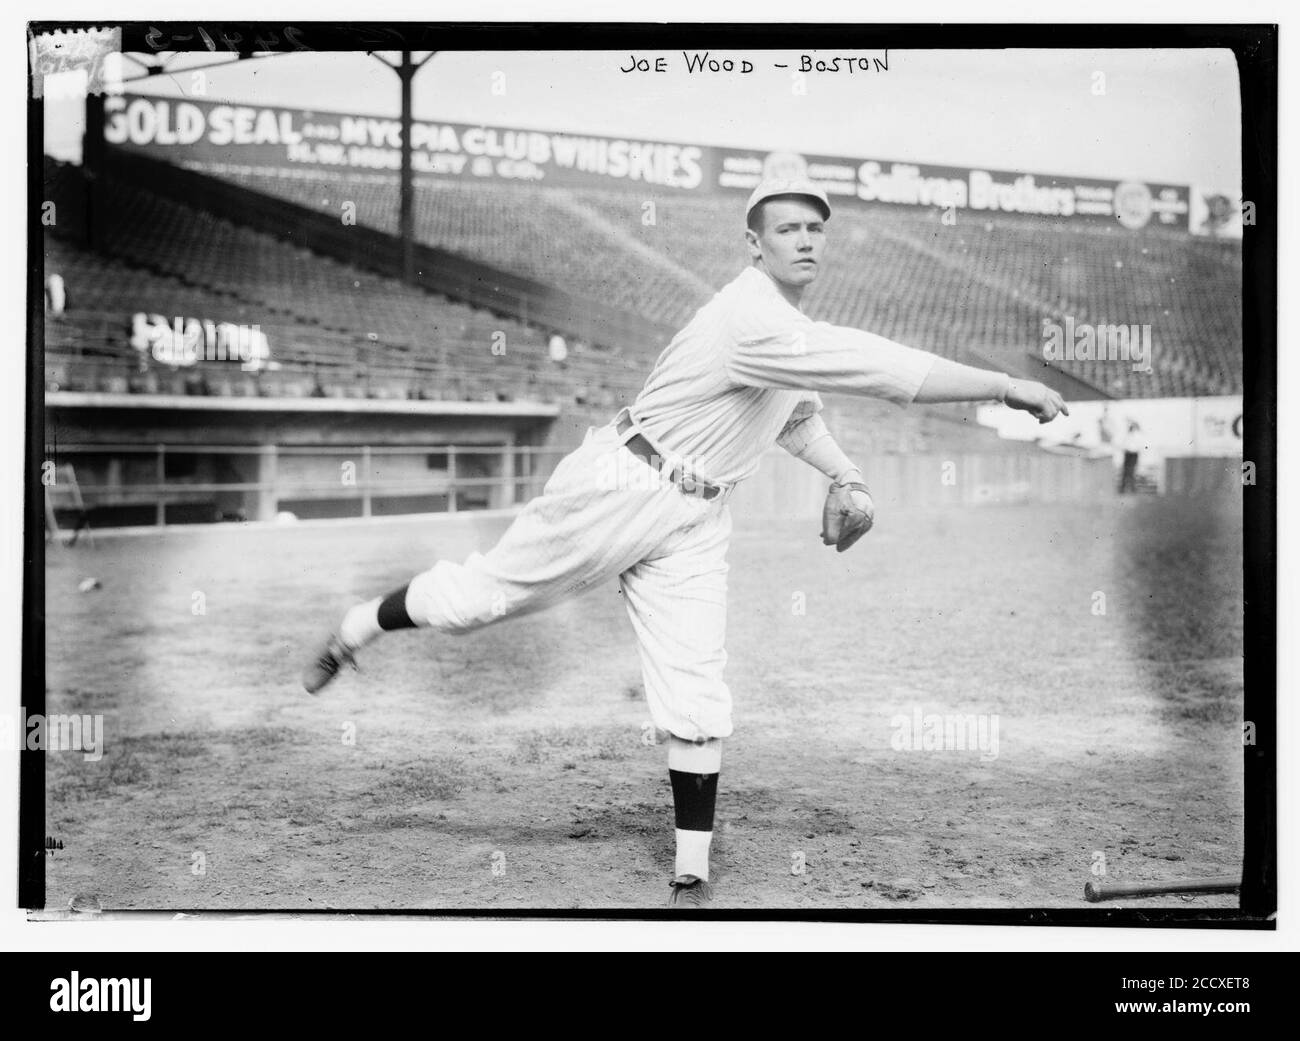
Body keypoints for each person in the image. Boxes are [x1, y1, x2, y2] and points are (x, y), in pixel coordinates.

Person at [299, 179, 1069, 908]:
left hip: (699, 514)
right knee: (476, 602)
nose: (804, 241)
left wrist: (848, 477)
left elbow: (796, 413)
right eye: (787, 229)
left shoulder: (781, 330)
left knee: (697, 686)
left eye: (814, 229)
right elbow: (879, 367)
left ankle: (691, 876)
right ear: (754, 244)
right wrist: (1003, 385)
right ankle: (355, 625)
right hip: (620, 484)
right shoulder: (751, 317)